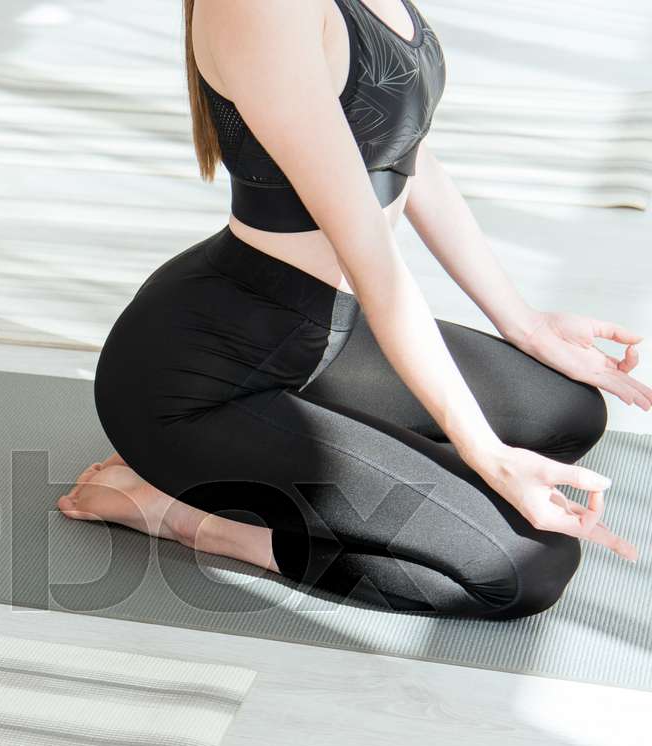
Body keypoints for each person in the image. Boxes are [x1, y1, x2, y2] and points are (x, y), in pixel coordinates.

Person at [59, 0, 647, 617]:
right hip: (201, 385)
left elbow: (409, 150)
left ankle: (296, 459)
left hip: (322, 333)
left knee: (567, 413)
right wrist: (487, 457)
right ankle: (185, 515)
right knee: (529, 566)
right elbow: (381, 275)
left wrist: (525, 323)